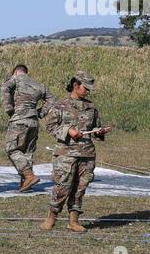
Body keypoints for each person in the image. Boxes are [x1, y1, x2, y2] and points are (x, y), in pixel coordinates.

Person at [41, 73, 112, 232]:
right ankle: (51, 218)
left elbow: (95, 130)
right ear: (75, 85)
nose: (88, 91)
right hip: (66, 154)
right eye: (85, 88)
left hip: (86, 154)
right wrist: (68, 131)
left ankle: (73, 221)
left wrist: (100, 132)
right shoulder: (60, 106)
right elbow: (50, 127)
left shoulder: (91, 108)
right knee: (62, 187)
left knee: (80, 188)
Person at [0, 63, 49, 192]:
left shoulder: (15, 79)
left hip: (19, 120)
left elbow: (4, 88)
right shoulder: (38, 84)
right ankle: (25, 183)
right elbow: (52, 100)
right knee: (28, 152)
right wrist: (40, 113)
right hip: (33, 121)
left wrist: (9, 108)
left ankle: (29, 176)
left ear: (15, 72)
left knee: (12, 149)